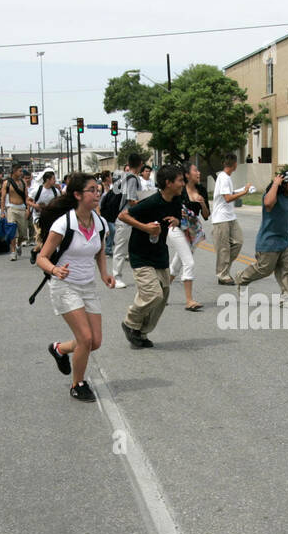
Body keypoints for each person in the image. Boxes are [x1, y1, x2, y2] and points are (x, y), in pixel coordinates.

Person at [38, 173, 115, 402]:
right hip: (65, 286)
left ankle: (59, 349)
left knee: (95, 341)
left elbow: (100, 249)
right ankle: (78, 384)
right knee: (85, 338)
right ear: (78, 195)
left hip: (87, 286)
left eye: (98, 190)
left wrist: (104, 274)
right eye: (92, 190)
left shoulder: (99, 223)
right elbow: (42, 257)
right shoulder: (64, 224)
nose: (97, 194)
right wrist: (55, 270)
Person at [119, 164, 185, 347]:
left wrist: (177, 220)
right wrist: (145, 227)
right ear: (168, 183)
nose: (182, 183)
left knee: (162, 296)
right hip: (141, 255)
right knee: (153, 294)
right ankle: (130, 322)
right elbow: (123, 216)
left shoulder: (175, 200)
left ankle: (140, 332)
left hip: (159, 254)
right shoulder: (151, 202)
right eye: (179, 180)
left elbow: (180, 216)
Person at [234, 169, 288, 308]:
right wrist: (275, 184)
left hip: (285, 239)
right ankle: (242, 279)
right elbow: (268, 204)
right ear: (284, 184)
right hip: (269, 240)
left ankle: (287, 297)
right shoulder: (272, 194)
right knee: (264, 269)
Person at [171, 163, 209, 311]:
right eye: (195, 170)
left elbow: (206, 216)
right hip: (176, 228)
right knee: (189, 262)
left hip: (192, 231)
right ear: (187, 175)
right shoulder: (179, 191)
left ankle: (161, 290)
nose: (199, 173)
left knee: (177, 264)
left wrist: (203, 203)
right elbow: (170, 208)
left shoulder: (202, 190)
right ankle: (189, 300)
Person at [211, 153, 253, 285]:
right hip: (221, 218)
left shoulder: (226, 178)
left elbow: (230, 193)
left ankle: (224, 269)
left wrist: (243, 189)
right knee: (223, 248)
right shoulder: (223, 178)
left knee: (238, 242)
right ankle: (222, 275)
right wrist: (244, 192)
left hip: (230, 216)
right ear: (234, 164)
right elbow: (228, 198)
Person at [108, 154, 145, 287]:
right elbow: (131, 200)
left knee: (133, 248)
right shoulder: (132, 179)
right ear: (140, 163)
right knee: (121, 248)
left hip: (130, 218)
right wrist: (146, 201)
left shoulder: (128, 176)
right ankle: (116, 277)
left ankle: (139, 276)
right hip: (125, 218)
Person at [0, 164, 34, 260]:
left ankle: (19, 245)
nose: (21, 173)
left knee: (23, 233)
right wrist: (2, 212)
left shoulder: (23, 182)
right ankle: (13, 251)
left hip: (22, 209)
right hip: (11, 208)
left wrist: (28, 209)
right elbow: (2, 198)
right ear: (14, 171)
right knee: (12, 231)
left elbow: (27, 197)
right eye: (19, 171)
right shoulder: (7, 183)